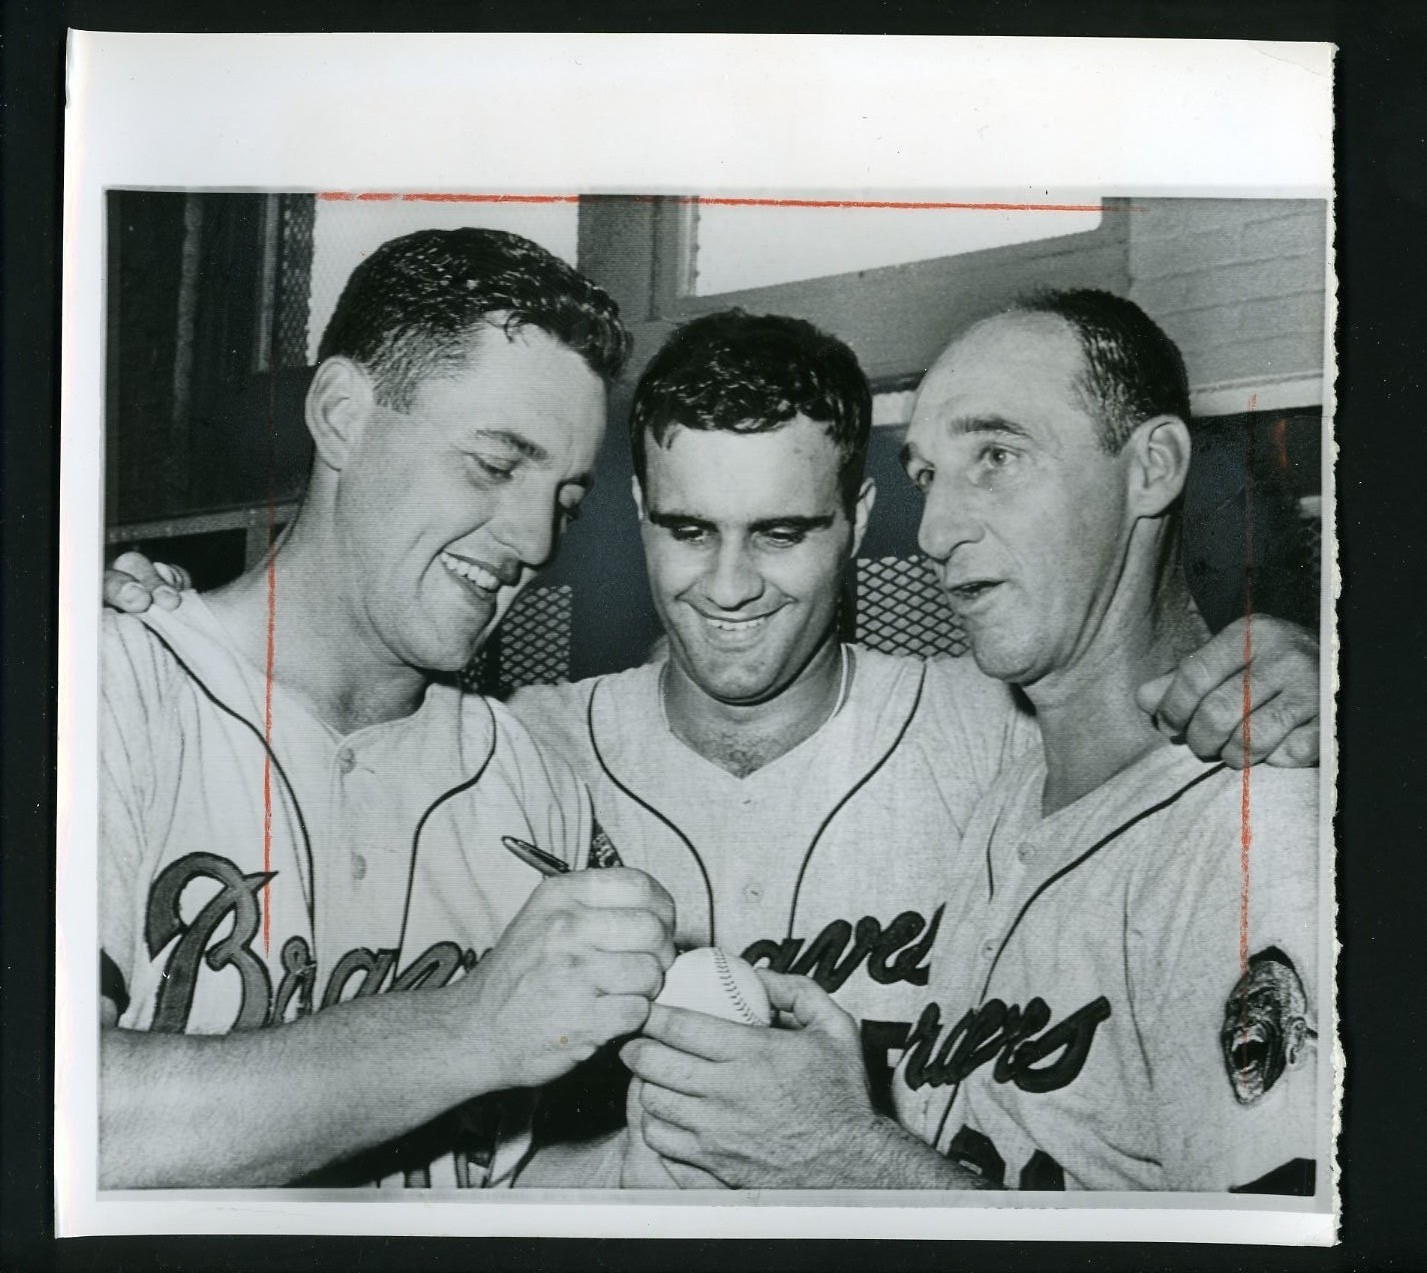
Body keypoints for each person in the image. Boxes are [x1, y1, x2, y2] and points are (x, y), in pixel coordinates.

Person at [109, 308, 1320, 1189]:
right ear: (633, 514)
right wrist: (170, 618)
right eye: (687, 529)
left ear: (855, 522)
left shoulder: (998, 730)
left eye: (781, 531)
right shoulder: (523, 760)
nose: (728, 587)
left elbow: (1152, 734)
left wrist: (1296, 673)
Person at [619, 291, 1322, 1193]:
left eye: (994, 456)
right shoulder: (1007, 787)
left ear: (1152, 466)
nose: (936, 530)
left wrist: (844, 1154)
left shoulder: (1261, 833)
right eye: (926, 477)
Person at [98, 228, 677, 1190]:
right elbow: (57, 1122)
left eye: (566, 500)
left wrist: (662, 1165)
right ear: (340, 414)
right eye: (494, 465)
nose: (534, 539)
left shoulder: (535, 787)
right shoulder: (109, 693)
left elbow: (501, 1175)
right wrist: (468, 1027)